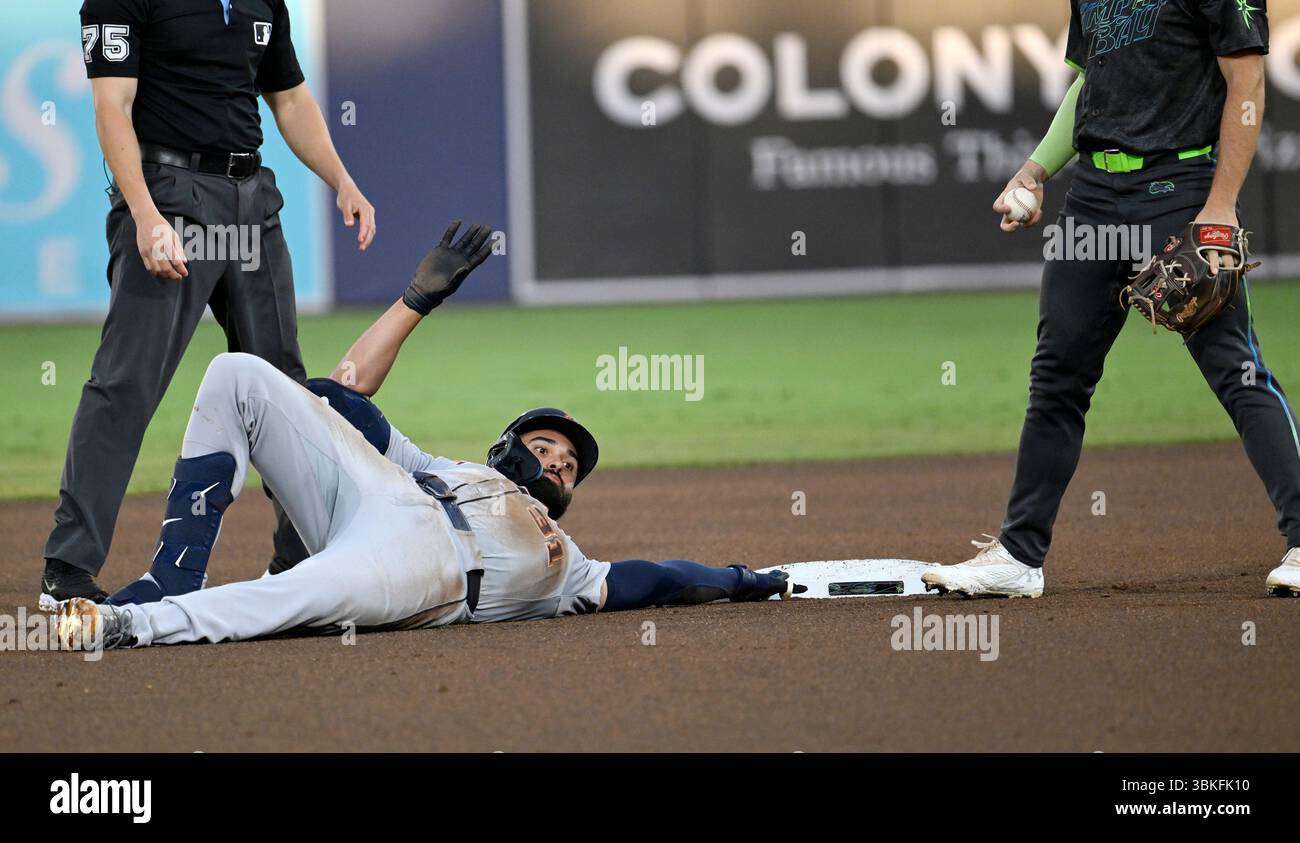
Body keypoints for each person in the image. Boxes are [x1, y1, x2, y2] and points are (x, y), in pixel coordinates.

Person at [55, 221, 800, 651]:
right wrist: (415, 302)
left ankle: (126, 624)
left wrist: (743, 578)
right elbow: (342, 393)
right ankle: (172, 576)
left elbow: (661, 579)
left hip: (423, 575)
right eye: (546, 446)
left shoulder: (569, 564)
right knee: (240, 374)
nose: (558, 461)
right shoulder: (440, 467)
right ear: (508, 444)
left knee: (286, 597)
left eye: (570, 464)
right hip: (387, 501)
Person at [922, 1, 1300, 598]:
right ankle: (1019, 558)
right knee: (1057, 375)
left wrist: (1221, 207)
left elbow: (1247, 81)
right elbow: (1090, 80)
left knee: (1236, 368)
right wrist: (1035, 171)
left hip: (1180, 189)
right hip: (1095, 196)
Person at [42, 0, 376, 608]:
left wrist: (342, 179)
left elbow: (291, 100)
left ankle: (299, 557)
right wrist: (145, 216)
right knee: (126, 383)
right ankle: (67, 566)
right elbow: (111, 108)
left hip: (253, 202)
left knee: (287, 393)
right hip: (171, 196)